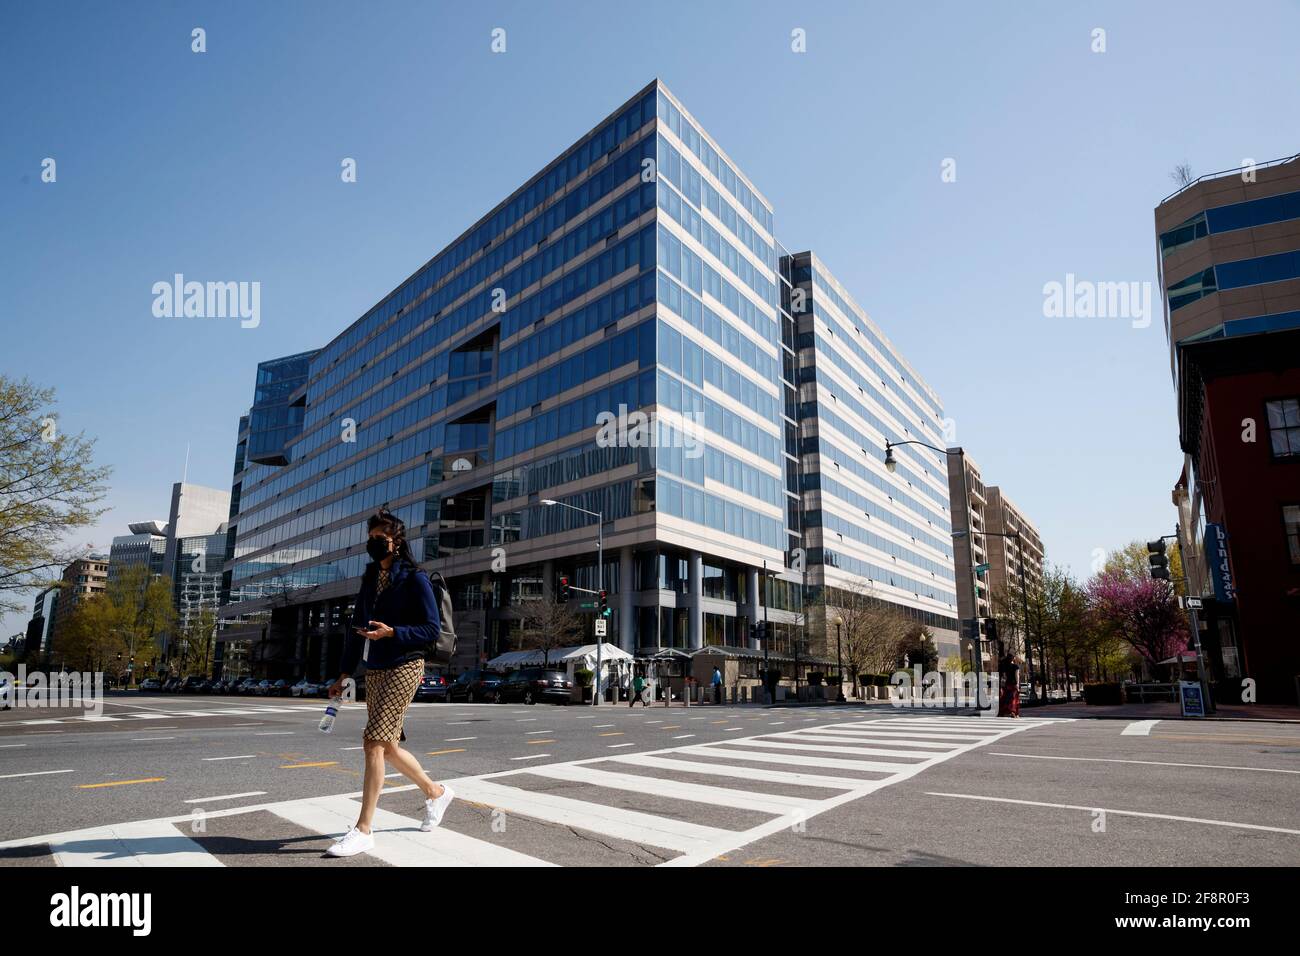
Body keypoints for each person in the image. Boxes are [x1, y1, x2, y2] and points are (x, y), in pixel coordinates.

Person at [325, 510, 455, 857]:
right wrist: (343, 673)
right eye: (370, 535)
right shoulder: (370, 579)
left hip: (406, 664)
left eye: (381, 534)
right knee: (389, 746)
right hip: (377, 667)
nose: (374, 540)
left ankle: (364, 828)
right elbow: (355, 629)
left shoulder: (415, 579)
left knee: (372, 743)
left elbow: (431, 630)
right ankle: (437, 793)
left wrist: (393, 632)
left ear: (396, 540)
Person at [998, 652, 1021, 718]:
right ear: (1013, 658)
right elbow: (1017, 676)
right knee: (1014, 698)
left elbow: (1003, 676)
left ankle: (1002, 712)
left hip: (1007, 684)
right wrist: (1017, 684)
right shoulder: (1015, 666)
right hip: (1013, 684)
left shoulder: (1005, 666)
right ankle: (1013, 712)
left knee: (1005, 698)